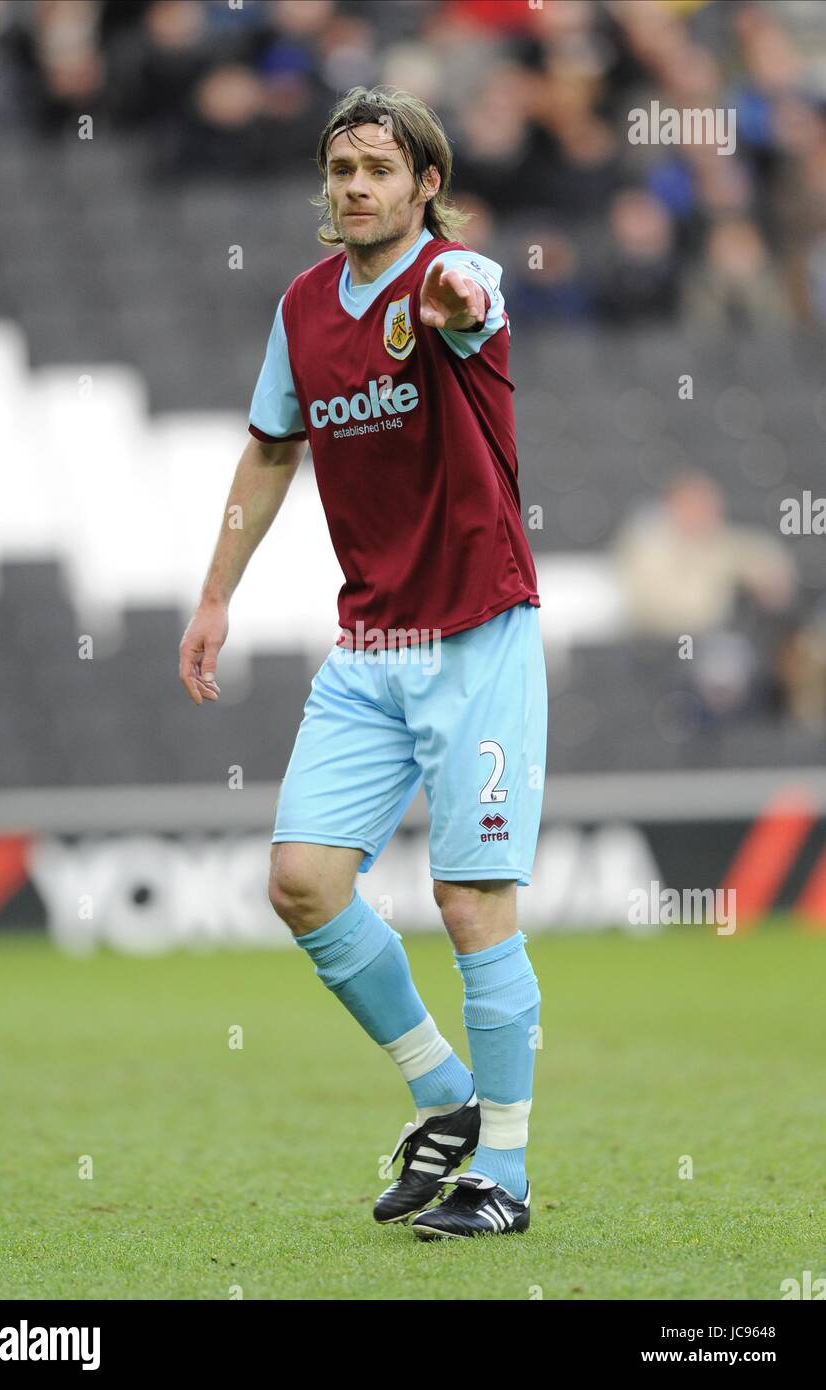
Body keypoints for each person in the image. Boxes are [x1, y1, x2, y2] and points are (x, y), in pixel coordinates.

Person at [180, 86, 547, 1240]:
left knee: (469, 900)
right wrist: (214, 594)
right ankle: (445, 1097)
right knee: (300, 882)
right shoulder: (301, 307)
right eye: (340, 167)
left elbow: (471, 294)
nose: (354, 185)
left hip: (479, 632)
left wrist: (449, 284)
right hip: (370, 643)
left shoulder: (457, 284)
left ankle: (507, 1176)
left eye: (378, 170)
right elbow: (268, 452)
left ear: (424, 186)